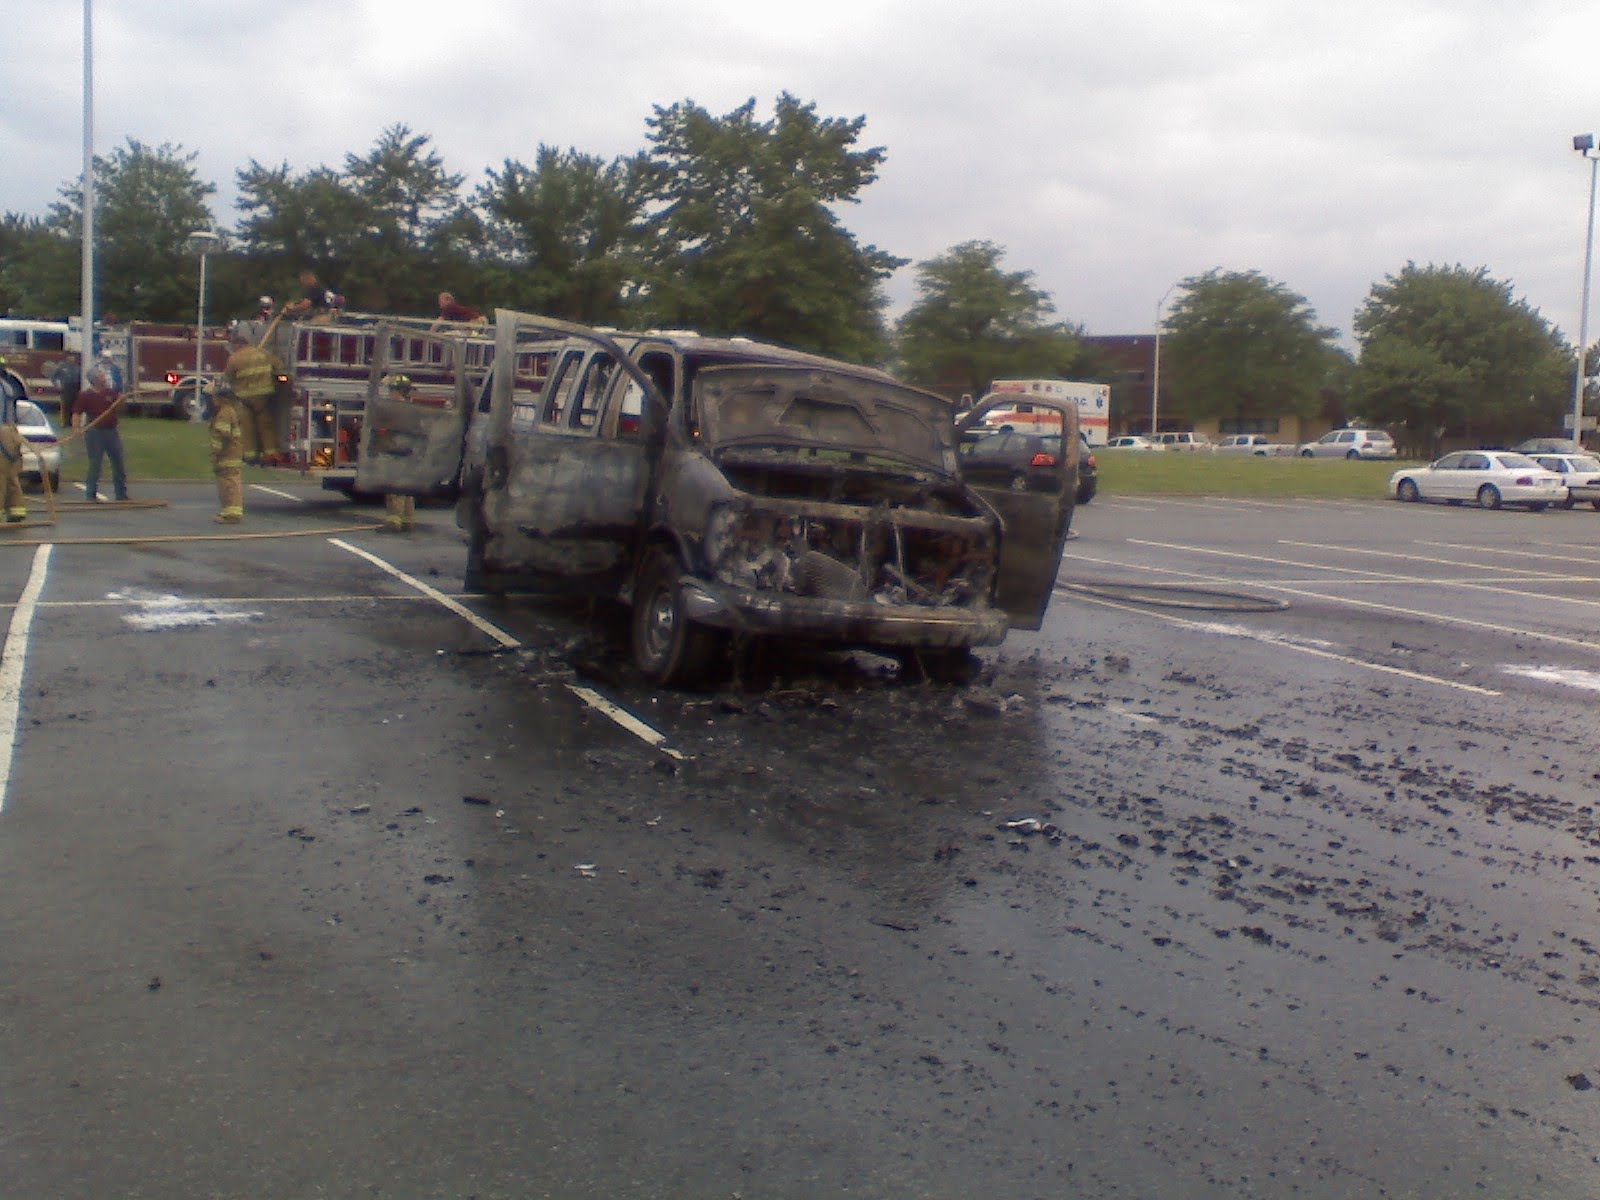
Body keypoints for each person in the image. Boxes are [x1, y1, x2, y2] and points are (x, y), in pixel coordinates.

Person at [221, 329, 281, 464]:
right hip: (265, 397)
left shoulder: (234, 358)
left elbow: (227, 377)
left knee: (247, 428)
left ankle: (250, 456)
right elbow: (278, 366)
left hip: (245, 399)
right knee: (266, 426)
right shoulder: (264, 353)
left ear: (237, 345)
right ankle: (271, 454)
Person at [72, 365, 130, 502]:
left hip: (111, 431)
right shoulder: (85, 395)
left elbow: (119, 408)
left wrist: (122, 400)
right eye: (102, 375)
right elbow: (76, 413)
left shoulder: (111, 392)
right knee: (95, 464)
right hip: (94, 432)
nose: (104, 378)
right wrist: (76, 428)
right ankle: (91, 495)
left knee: (118, 462)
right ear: (95, 379)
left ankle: (121, 494)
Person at [379, 373, 416, 532]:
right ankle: (407, 520)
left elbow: (385, 430)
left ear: (398, 391)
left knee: (395, 490)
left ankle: (393, 522)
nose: (389, 393)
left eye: (391, 389)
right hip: (407, 452)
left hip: (397, 452)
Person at [208, 380, 245, 523]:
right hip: (231, 454)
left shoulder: (224, 414)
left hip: (227, 455)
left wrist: (215, 453)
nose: (213, 400)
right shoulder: (229, 411)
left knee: (229, 484)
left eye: (215, 397)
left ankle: (232, 515)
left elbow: (221, 436)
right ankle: (228, 512)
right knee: (228, 483)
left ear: (222, 398)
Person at [0, 358, 29, 521]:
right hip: (11, 432)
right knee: (11, 474)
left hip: (1, 433)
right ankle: (16, 510)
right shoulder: (7, 387)